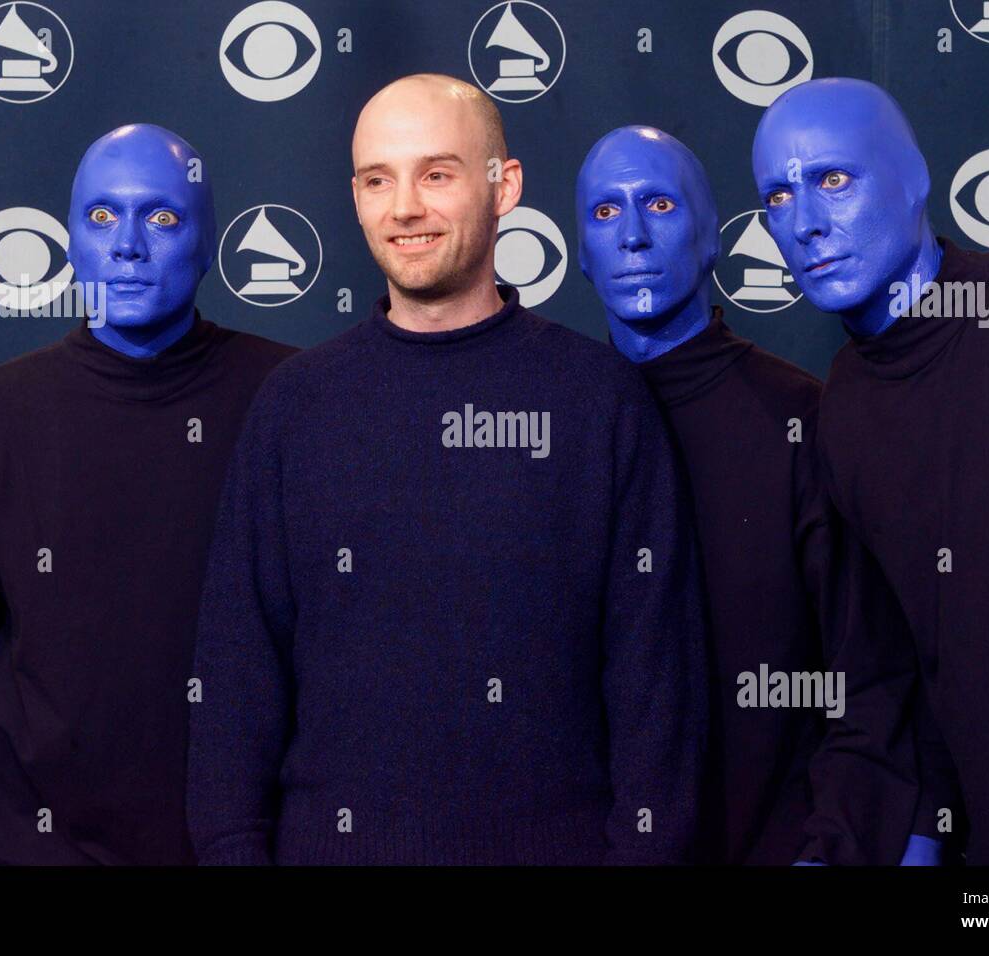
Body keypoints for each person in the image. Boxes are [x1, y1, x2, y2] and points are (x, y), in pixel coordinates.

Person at [186, 75, 708, 865]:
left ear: (507, 187)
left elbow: (655, 689)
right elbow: (236, 676)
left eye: (436, 174)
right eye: (376, 180)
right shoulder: (294, 406)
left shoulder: (599, 400)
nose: (404, 208)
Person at [0, 124, 296, 864]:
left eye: (161, 217)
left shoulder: (288, 400)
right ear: (68, 237)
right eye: (101, 217)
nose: (127, 245)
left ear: (209, 240)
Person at [753, 77, 989, 864]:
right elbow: (902, 664)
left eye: (833, 179)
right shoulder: (846, 415)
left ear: (914, 177)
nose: (806, 224)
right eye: (778, 198)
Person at [577, 125, 930, 865]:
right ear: (579, 247)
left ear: (712, 237)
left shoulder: (800, 420)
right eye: (606, 214)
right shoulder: (554, 421)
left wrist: (827, 849)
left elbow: (870, 674)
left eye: (661, 206)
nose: (634, 237)